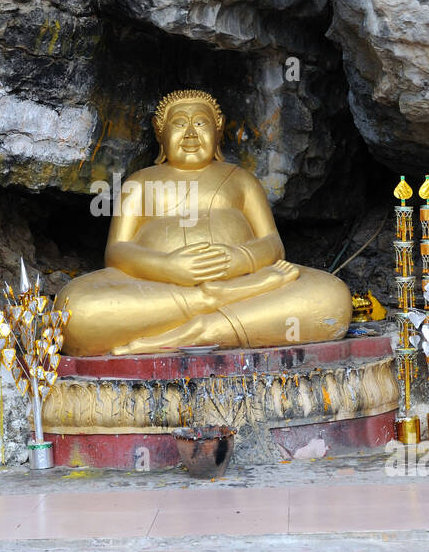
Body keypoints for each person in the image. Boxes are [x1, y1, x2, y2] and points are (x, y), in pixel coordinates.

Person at [56, 90, 351, 356]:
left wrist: (241, 259)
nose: (190, 134)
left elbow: (273, 245)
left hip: (245, 279)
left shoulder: (240, 180)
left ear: (217, 132)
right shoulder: (140, 183)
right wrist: (167, 267)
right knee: (74, 310)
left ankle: (203, 330)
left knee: (331, 296)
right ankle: (209, 301)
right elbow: (118, 252)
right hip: (158, 289)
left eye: (200, 123)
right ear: (161, 135)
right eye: (178, 123)